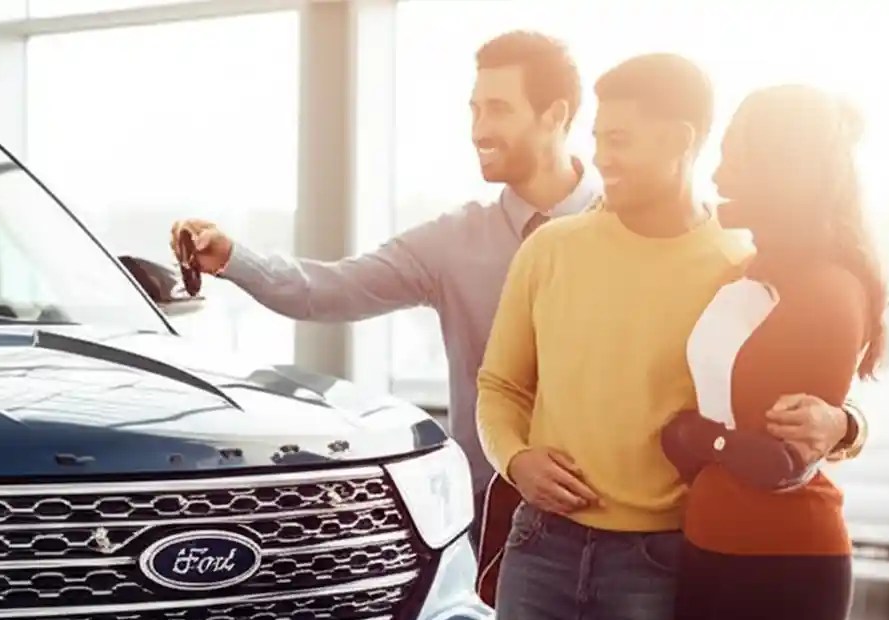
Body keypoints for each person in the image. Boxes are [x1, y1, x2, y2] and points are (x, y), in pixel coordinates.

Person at [474, 54, 866, 620]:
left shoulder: (741, 270)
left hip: (661, 562)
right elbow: (500, 386)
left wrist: (847, 422)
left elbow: (809, 389)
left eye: (618, 140)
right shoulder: (550, 249)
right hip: (541, 549)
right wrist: (516, 458)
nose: (600, 158)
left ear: (681, 141)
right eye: (597, 140)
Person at [170, 30, 597, 554]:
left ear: (555, 115)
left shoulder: (627, 226)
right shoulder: (451, 243)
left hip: (620, 518)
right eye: (474, 109)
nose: (478, 129)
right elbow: (328, 290)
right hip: (497, 518)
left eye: (499, 109)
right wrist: (234, 258)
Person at [660, 84, 882, 620]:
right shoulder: (749, 269)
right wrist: (700, 439)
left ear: (789, 171)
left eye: (739, 158)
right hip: (709, 547)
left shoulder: (828, 290)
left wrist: (698, 437)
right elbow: (709, 439)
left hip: (780, 566)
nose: (720, 173)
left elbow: (774, 463)